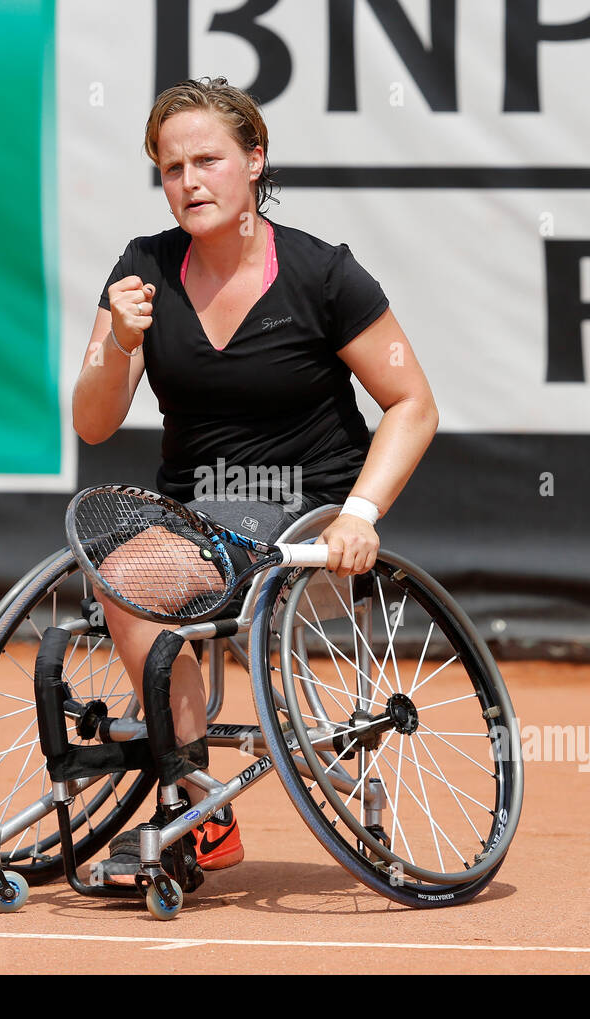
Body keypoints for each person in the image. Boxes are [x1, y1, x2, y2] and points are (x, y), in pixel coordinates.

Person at [71, 76, 439, 884]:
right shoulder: (142, 271)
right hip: (195, 514)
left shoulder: (323, 276)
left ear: (255, 162)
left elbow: (413, 403)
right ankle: (202, 796)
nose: (190, 182)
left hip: (305, 514)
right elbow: (94, 422)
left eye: (208, 160)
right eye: (172, 169)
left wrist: (363, 513)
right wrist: (116, 344)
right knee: (131, 569)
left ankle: (192, 797)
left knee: (129, 576)